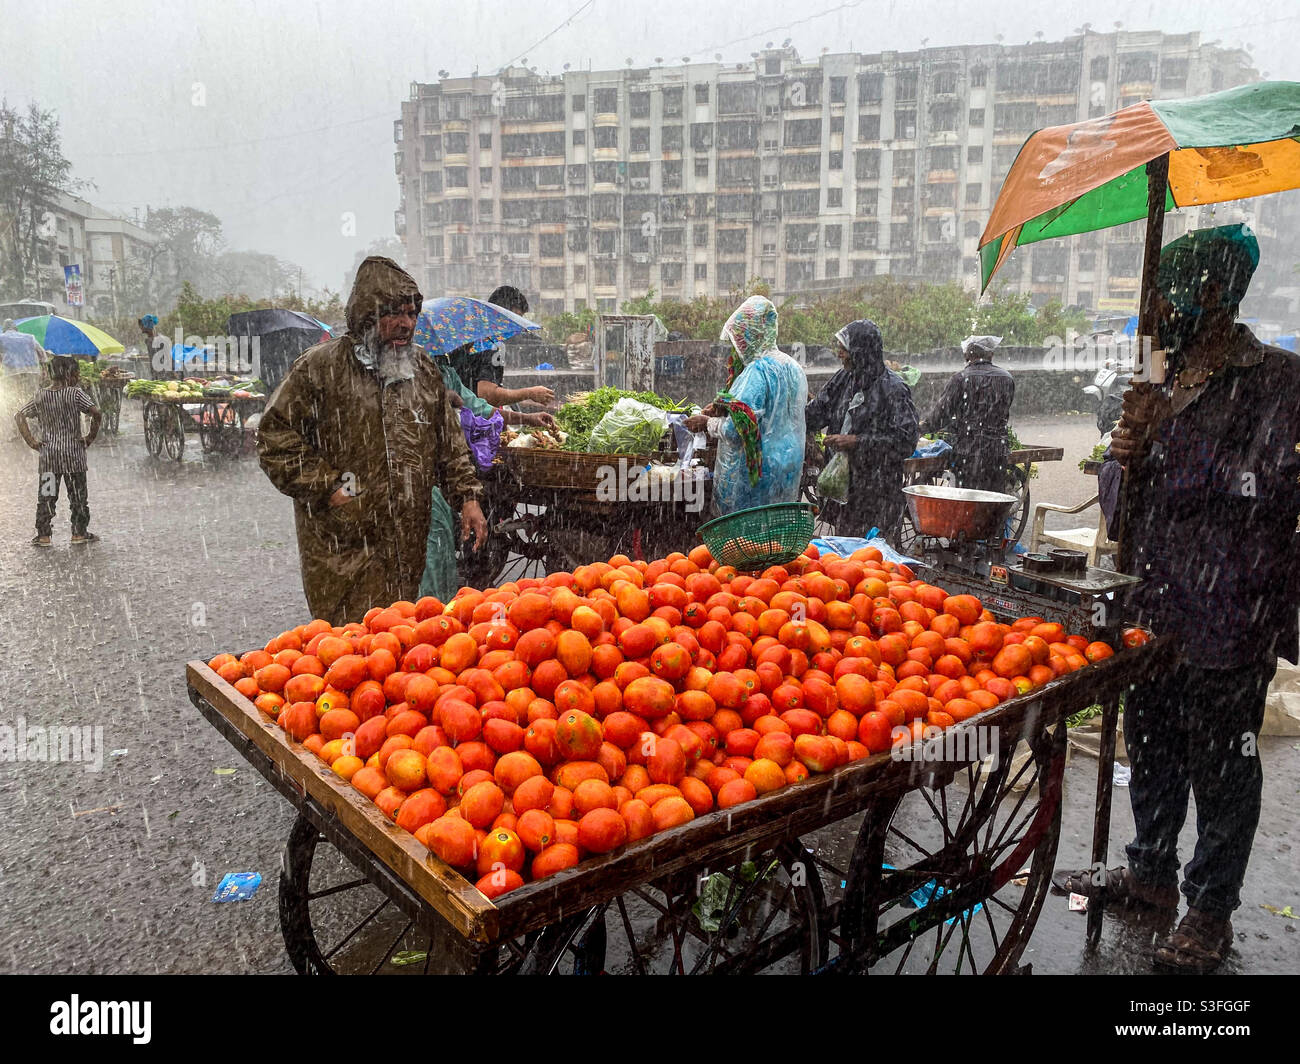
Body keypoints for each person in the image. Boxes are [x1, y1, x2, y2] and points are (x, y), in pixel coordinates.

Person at [1054, 224, 1300, 974]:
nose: (1152, 310)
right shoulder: (1156, 373)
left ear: (1210, 295)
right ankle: (1151, 870)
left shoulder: (1279, 380)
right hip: (1156, 600)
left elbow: (1266, 490)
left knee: (1224, 762)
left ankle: (1209, 912)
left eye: (1164, 293)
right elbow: (1123, 505)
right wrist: (1124, 459)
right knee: (1154, 741)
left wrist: (1173, 445)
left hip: (1235, 604)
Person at [257, 256, 487, 625]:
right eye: (393, 313)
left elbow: (449, 444)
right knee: (348, 648)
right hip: (343, 545)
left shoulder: (423, 371)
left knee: (397, 644)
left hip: (407, 544)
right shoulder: (321, 368)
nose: (406, 324)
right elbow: (273, 436)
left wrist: (468, 498)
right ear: (366, 315)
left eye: (412, 313)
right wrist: (331, 486)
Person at [684, 295, 806, 515]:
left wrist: (706, 423)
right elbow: (770, 412)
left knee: (747, 539)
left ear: (749, 336)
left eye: (738, 339)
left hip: (757, 471)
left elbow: (736, 430)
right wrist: (724, 406)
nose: (736, 347)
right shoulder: (792, 367)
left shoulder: (757, 371)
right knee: (775, 534)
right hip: (787, 465)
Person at [805, 320, 920, 542]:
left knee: (874, 558)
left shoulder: (893, 389)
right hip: (846, 490)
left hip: (879, 491)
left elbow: (906, 440)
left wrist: (857, 441)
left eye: (844, 350)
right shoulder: (844, 378)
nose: (840, 355)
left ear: (860, 351)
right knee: (845, 554)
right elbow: (816, 412)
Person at [14, 355, 102, 546]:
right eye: (76, 372)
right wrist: (89, 437)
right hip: (74, 456)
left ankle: (44, 535)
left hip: (49, 457)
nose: (77, 376)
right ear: (68, 373)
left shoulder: (40, 395)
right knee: (78, 497)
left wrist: (32, 442)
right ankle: (79, 533)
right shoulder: (75, 394)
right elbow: (96, 413)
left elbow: (19, 415)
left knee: (46, 497)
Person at [917, 334, 1015, 492]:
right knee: (993, 499)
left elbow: (941, 415)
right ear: (991, 354)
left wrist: (922, 428)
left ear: (966, 355)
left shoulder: (960, 379)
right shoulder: (1007, 378)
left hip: (969, 452)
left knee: (967, 500)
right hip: (997, 451)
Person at [450, 285, 555, 409]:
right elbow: (486, 394)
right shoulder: (491, 343)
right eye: (515, 318)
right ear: (503, 315)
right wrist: (529, 393)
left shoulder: (466, 336)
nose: (517, 326)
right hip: (469, 417)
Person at [1, 318, 45, 440]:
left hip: (12, 373)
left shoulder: (1, 338)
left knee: (13, 401)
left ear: (5, 329)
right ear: (16, 328)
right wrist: (44, 367)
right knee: (32, 400)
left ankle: (17, 431)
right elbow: (41, 352)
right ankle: (36, 430)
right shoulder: (29, 337)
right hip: (31, 372)